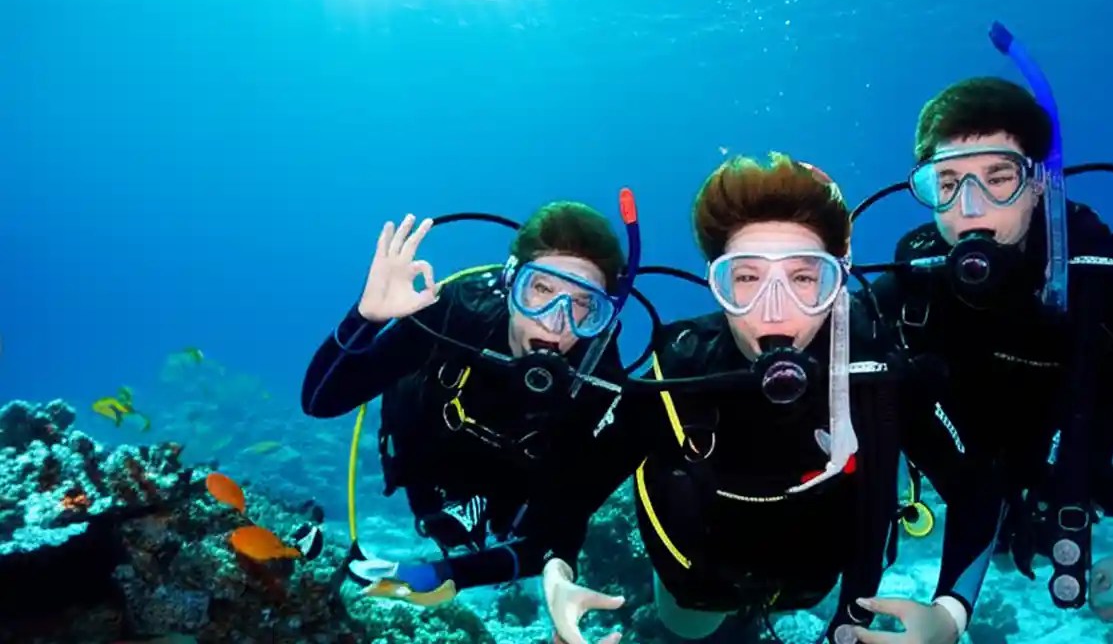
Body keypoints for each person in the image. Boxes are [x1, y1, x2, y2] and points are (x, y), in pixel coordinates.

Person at [846, 66, 1113, 644]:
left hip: (1084, 468)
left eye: (998, 177)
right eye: (946, 182)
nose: (969, 207)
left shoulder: (1102, 287)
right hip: (975, 470)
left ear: (1041, 185)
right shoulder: (911, 289)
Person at [520, 152, 903, 644]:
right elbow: (576, 485)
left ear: (835, 285)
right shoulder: (677, 374)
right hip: (695, 595)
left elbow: (975, 478)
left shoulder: (873, 373)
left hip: (813, 588)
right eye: (746, 278)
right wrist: (558, 569)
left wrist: (950, 610)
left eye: (804, 278)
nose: (774, 309)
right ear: (716, 285)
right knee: (690, 627)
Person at [300, 199, 641, 605]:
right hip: (421, 474)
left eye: (584, 304)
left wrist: (441, 575)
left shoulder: (600, 385)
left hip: (504, 516)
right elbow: (321, 400)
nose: (555, 320)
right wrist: (365, 318)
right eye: (542, 289)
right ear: (510, 283)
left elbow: (556, 537)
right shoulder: (456, 315)